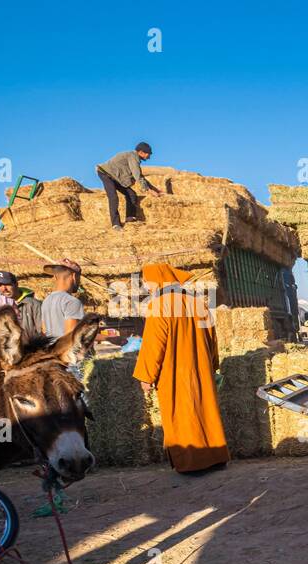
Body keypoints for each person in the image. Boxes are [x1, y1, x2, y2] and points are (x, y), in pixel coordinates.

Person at [133, 263, 230, 474]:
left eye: (147, 282)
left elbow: (153, 344)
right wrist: (212, 365)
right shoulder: (199, 304)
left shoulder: (160, 305)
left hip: (174, 371)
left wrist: (146, 376)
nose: (146, 287)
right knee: (206, 413)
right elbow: (211, 339)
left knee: (183, 416)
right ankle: (216, 457)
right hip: (201, 369)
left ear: (158, 280)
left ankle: (193, 463)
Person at [96, 142, 163, 230]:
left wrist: (155, 189)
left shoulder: (135, 158)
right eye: (148, 154)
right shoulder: (133, 157)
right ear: (141, 152)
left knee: (132, 194)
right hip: (105, 173)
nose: (149, 157)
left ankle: (130, 217)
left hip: (116, 177)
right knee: (113, 197)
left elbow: (140, 176)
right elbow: (137, 176)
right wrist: (149, 191)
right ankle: (116, 224)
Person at [0, 270, 42, 336]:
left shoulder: (33, 304)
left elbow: (43, 331)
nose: (4, 289)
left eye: (7, 284)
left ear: (16, 284)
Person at [40, 259, 86, 340]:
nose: (79, 282)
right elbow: (71, 336)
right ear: (74, 276)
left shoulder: (46, 301)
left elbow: (44, 332)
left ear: (54, 277)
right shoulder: (71, 301)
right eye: (79, 278)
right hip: (65, 352)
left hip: (50, 351)